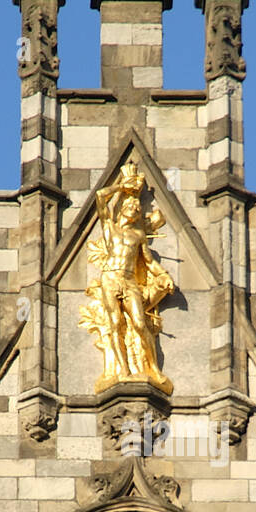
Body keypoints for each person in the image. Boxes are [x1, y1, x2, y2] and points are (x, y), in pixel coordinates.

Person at [81, 164, 174, 394]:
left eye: (137, 206)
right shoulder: (110, 229)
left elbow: (149, 261)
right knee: (114, 325)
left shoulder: (139, 235)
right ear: (122, 208)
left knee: (140, 323)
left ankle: (154, 370)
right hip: (110, 279)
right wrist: (122, 186)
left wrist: (163, 276)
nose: (134, 207)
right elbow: (101, 198)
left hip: (130, 280)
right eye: (130, 204)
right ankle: (122, 370)